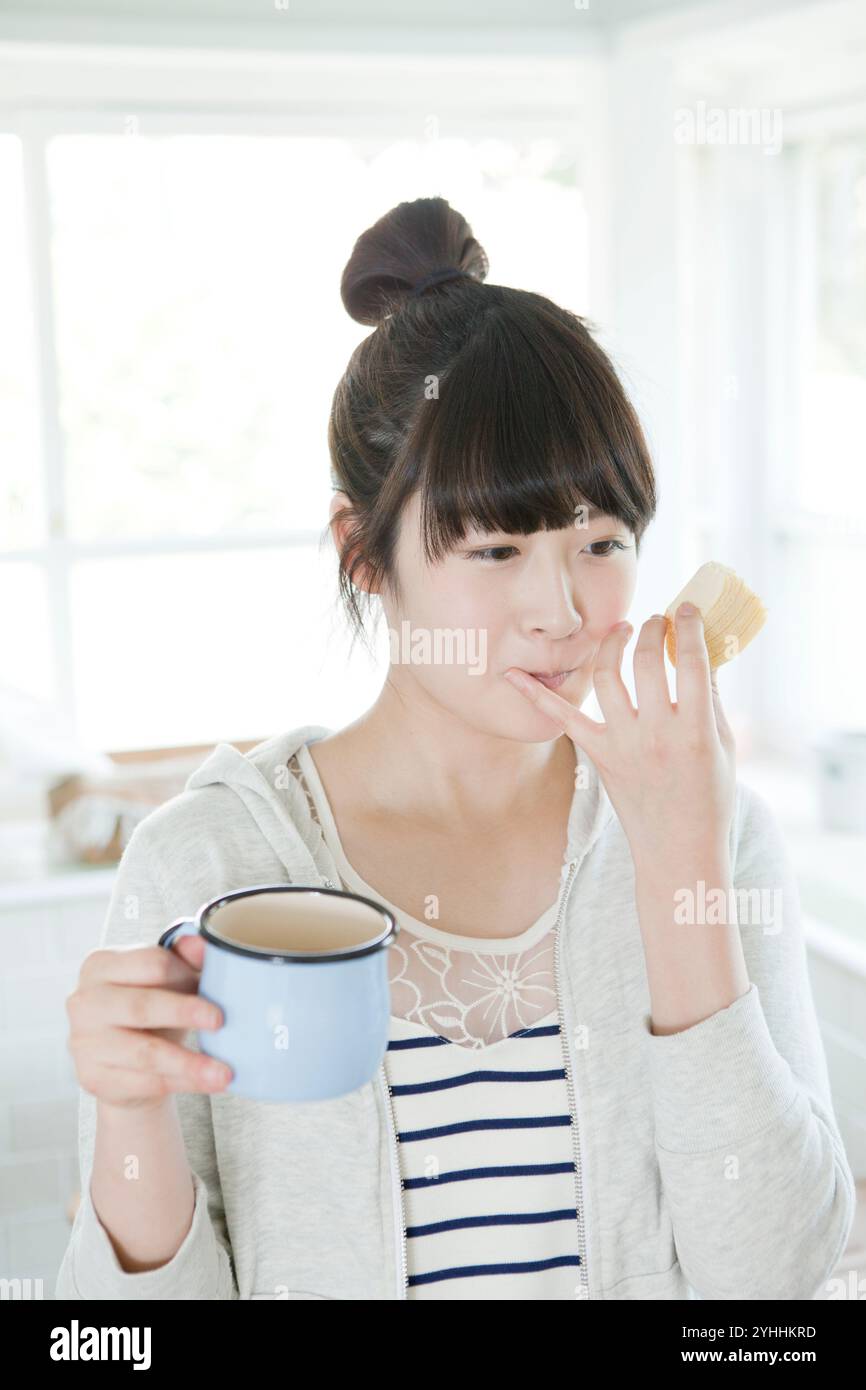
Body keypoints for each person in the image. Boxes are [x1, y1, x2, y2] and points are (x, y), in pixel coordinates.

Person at [57, 196, 855, 1300]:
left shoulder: (706, 828)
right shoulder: (207, 866)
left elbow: (778, 1291)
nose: (559, 608)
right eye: (492, 547)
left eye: (601, 540)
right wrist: (127, 1108)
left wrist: (681, 872)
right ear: (363, 554)